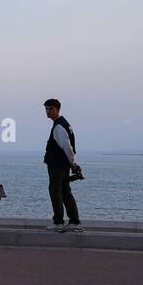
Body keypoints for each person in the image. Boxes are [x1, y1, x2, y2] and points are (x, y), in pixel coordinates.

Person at [43, 98, 84, 232]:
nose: (48, 112)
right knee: (65, 191)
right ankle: (74, 221)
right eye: (46, 109)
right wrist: (72, 163)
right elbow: (69, 147)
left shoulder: (59, 126)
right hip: (63, 165)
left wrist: (73, 163)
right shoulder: (64, 124)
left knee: (55, 191)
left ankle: (59, 222)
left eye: (50, 109)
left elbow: (67, 147)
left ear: (57, 109)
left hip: (57, 166)